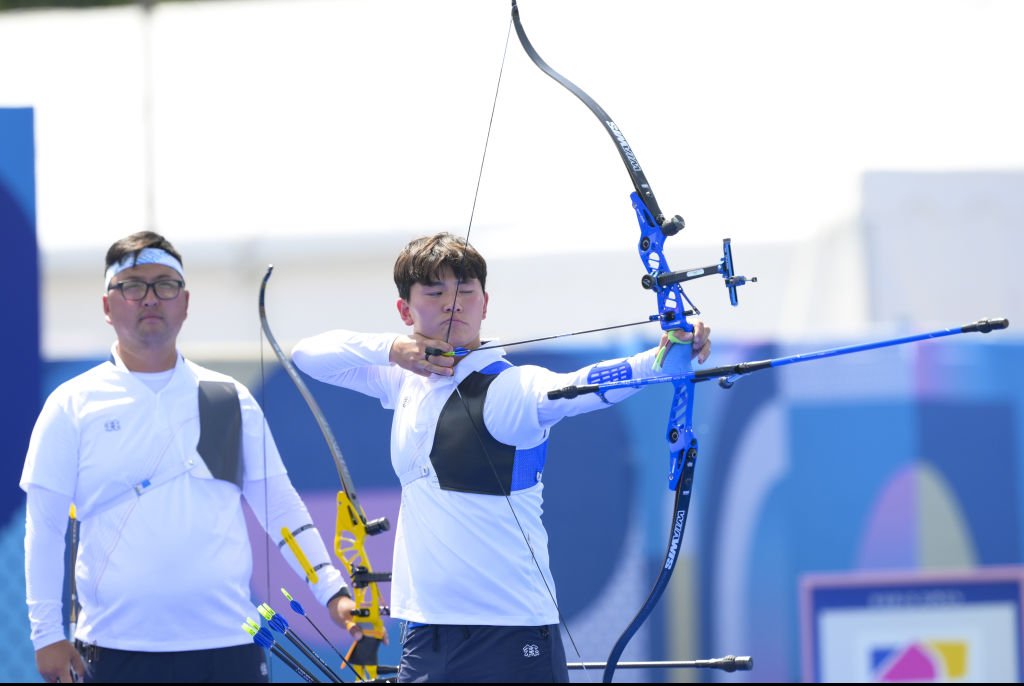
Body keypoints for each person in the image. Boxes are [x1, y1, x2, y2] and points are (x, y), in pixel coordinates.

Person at [290, 231, 712, 683]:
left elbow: (580, 387)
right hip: (427, 632)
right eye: (435, 292)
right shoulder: (404, 379)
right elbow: (308, 355)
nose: (453, 304)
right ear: (405, 310)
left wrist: (661, 360)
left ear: (485, 304)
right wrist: (394, 349)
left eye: (465, 292)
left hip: (510, 635)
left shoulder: (509, 388)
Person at [21, 231, 360, 684]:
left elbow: (278, 507)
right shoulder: (72, 404)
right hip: (116, 648)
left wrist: (332, 592)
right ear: (107, 306)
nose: (149, 299)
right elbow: (44, 527)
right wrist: (47, 634)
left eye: (165, 285)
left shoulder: (226, 399)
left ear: (185, 302)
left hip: (228, 646)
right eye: (132, 285)